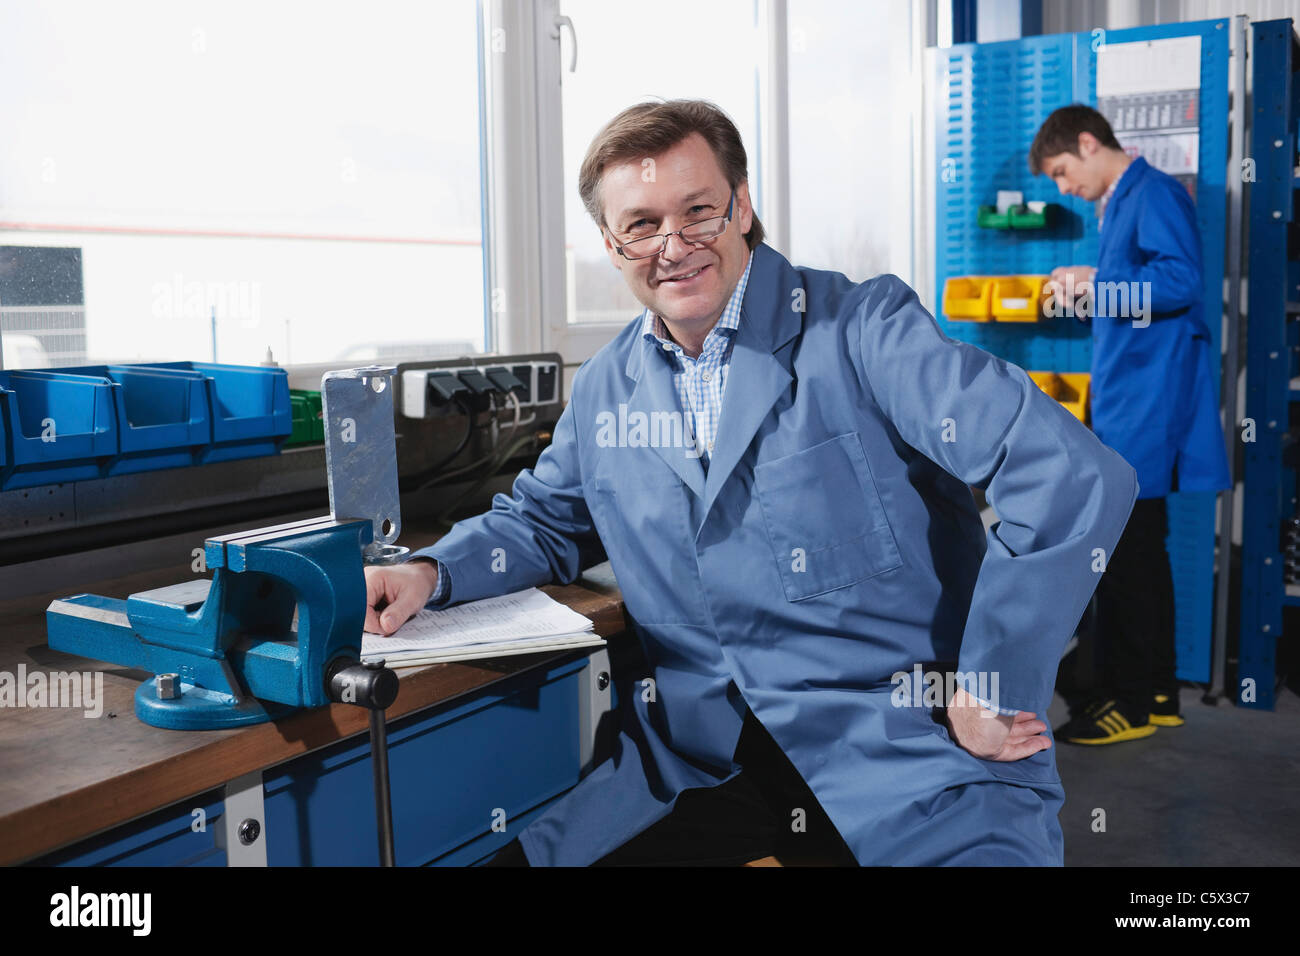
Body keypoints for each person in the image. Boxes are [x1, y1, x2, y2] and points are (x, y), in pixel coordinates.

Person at [365, 99, 1137, 865]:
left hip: (904, 755)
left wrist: (995, 682)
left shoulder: (864, 330)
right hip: (701, 762)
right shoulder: (606, 391)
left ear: (742, 207)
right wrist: (430, 572)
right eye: (641, 224)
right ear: (611, 242)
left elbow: (1072, 478)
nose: (674, 245)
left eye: (698, 210)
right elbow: (544, 521)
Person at [1030, 104, 1231, 745]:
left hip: (1147, 408)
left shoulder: (1154, 192)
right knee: (1143, 553)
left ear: (1088, 143)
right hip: (1128, 402)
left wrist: (1099, 279)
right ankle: (1161, 693)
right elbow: (1136, 295)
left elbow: (1179, 283)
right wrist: (1087, 290)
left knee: (1125, 556)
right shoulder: (1119, 203)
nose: (1064, 187)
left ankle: (1132, 704)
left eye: (1063, 172)